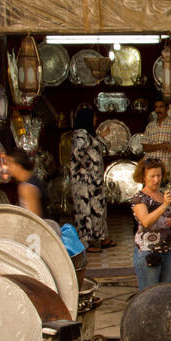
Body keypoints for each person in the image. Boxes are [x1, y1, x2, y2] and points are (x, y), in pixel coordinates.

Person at [67, 105, 111, 253]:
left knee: (98, 208)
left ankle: (102, 237)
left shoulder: (88, 134)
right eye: (93, 117)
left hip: (94, 182)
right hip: (84, 182)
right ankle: (87, 242)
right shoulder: (80, 134)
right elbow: (78, 152)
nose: (95, 120)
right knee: (85, 211)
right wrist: (89, 167)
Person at [130, 156, 171, 289]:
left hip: (167, 250)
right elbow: (145, 221)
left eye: (159, 175)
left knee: (165, 292)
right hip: (149, 252)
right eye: (152, 176)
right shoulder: (139, 198)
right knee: (149, 294)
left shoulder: (163, 195)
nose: (156, 180)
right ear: (143, 177)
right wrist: (164, 205)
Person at [142, 99, 171, 178]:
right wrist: (160, 146)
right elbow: (145, 148)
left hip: (167, 168)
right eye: (156, 107)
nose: (158, 110)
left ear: (168, 108)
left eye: (161, 107)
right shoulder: (150, 126)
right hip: (150, 168)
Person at [5, 149, 44, 217]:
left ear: (18, 166)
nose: (7, 168)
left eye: (9, 164)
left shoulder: (26, 187)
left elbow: (34, 219)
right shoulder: (31, 179)